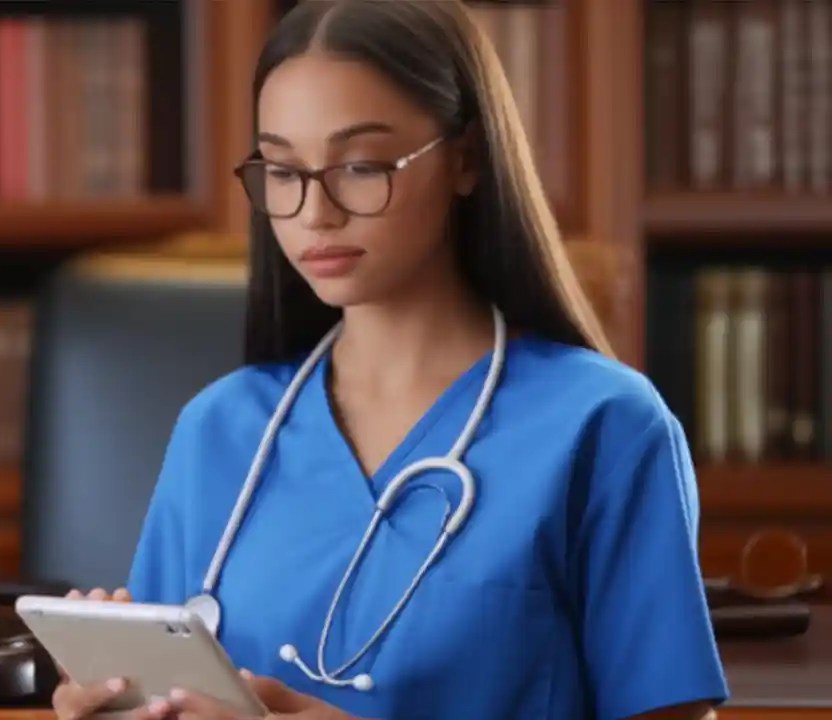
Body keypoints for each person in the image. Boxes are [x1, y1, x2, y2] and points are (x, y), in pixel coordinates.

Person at [52, 1, 728, 718]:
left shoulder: (605, 427)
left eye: (361, 165)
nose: (315, 212)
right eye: (282, 171)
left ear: (466, 159)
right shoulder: (218, 430)